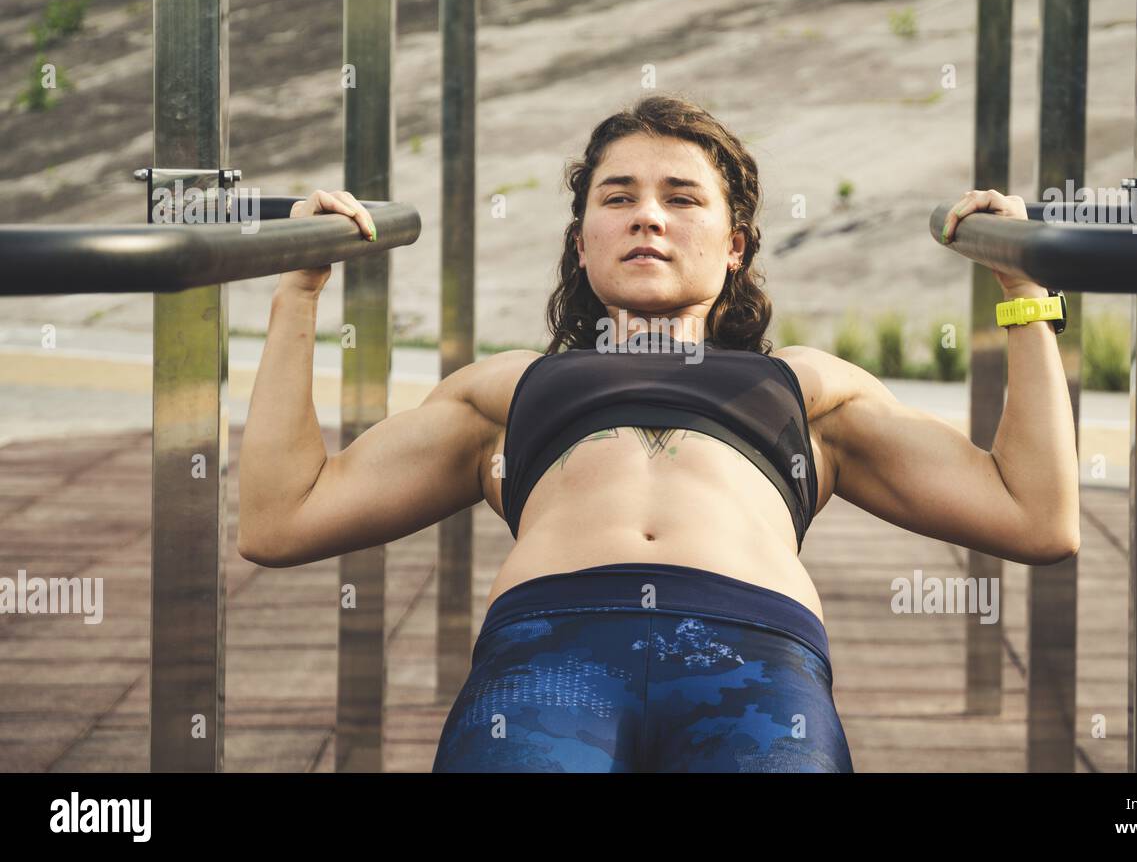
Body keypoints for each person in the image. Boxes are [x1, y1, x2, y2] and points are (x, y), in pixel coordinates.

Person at [236, 94, 1081, 773]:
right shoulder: (510, 384)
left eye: (682, 199)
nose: (650, 217)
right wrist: (298, 296)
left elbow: (1035, 517)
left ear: (735, 244)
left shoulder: (804, 386)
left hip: (752, 659)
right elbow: (284, 519)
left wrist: (1024, 290)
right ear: (580, 241)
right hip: (548, 656)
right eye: (619, 198)